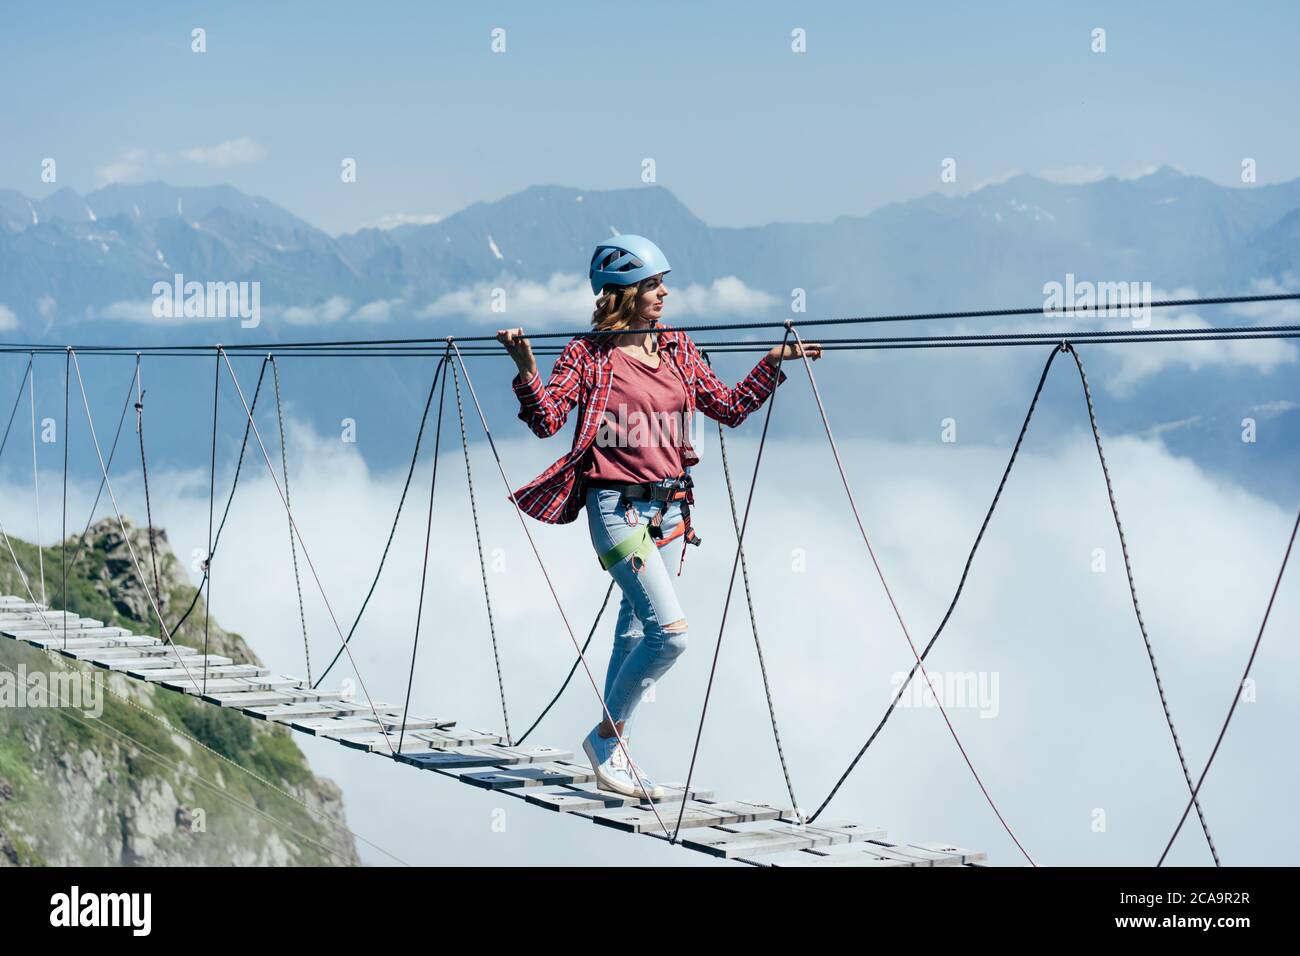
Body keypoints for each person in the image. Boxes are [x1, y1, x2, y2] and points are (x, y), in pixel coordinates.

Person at [497, 234, 821, 798]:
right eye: (651, 284)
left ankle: (614, 751)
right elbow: (548, 420)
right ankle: (603, 740)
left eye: (661, 282)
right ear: (621, 293)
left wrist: (772, 364)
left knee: (632, 632)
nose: (663, 292)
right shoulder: (588, 354)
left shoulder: (678, 348)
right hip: (615, 508)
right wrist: (526, 369)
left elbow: (728, 408)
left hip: (671, 508)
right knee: (669, 636)